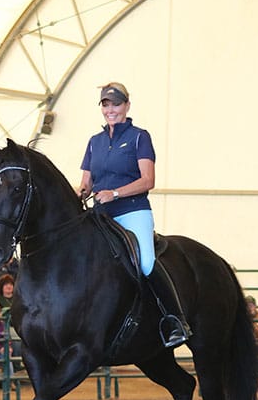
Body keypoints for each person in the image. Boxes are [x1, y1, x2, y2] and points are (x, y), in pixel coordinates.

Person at [76, 81, 191, 348]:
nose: (111, 109)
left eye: (116, 104)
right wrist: (80, 192)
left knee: (147, 262)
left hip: (132, 211)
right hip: (100, 214)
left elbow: (148, 179)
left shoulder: (140, 137)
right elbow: (86, 182)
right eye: (106, 105)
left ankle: (174, 319)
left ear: (126, 105)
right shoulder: (94, 142)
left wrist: (115, 193)